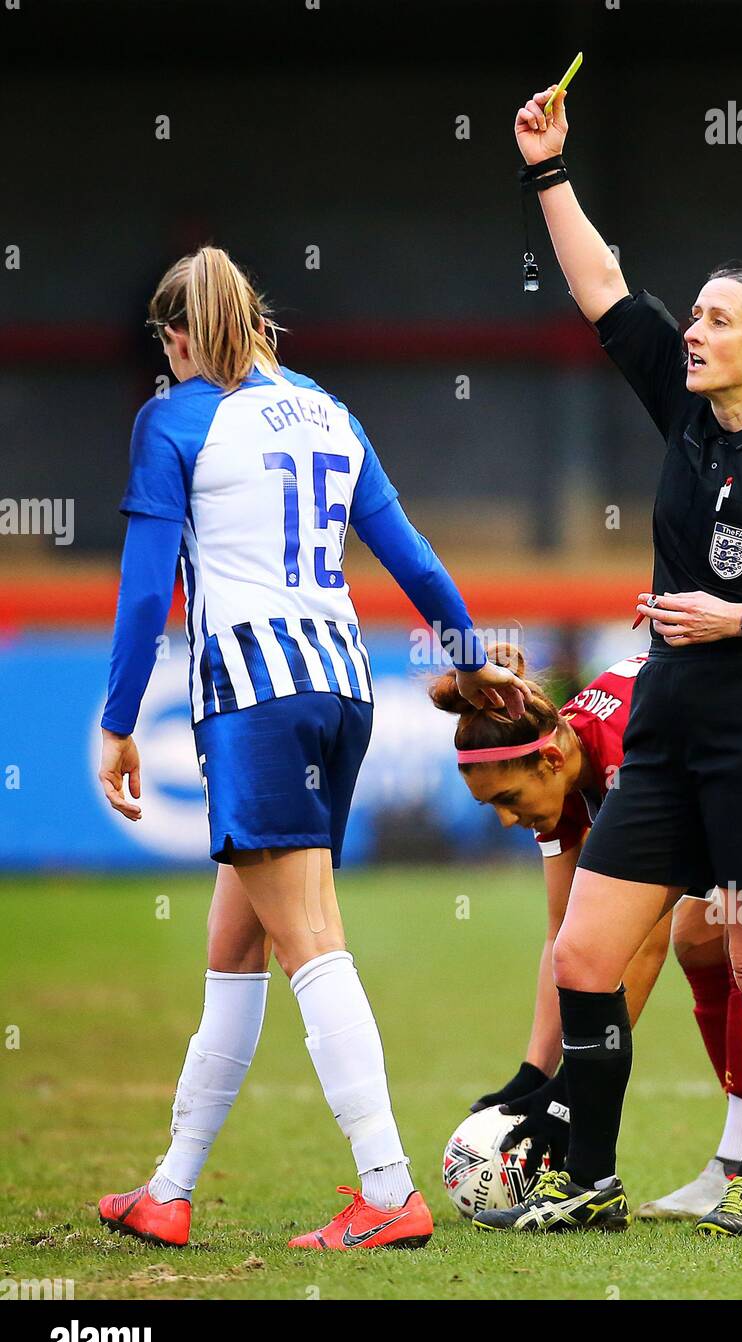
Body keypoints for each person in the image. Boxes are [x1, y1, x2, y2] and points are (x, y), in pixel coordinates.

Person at [468, 80, 742, 1238]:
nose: (690, 332)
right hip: (663, 733)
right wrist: (545, 169)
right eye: (690, 317)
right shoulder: (686, 410)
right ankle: (587, 1172)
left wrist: (740, 621)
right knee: (586, 952)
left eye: (713, 321)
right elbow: (601, 285)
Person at [96, 246, 528, 1253]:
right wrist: (465, 657)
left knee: (310, 939)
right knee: (236, 951)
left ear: (177, 336)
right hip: (341, 686)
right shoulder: (327, 409)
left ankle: (387, 1187)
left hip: (254, 697)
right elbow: (409, 551)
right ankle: (170, 1187)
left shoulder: (173, 417)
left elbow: (143, 585)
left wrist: (119, 721)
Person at [430, 640, 742, 1215]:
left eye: (510, 799)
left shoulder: (624, 750)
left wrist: (572, 1093)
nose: (507, 819)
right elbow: (565, 937)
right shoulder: (558, 765)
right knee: (703, 939)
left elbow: (636, 945)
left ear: (550, 761)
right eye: (493, 806)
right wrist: (534, 1075)